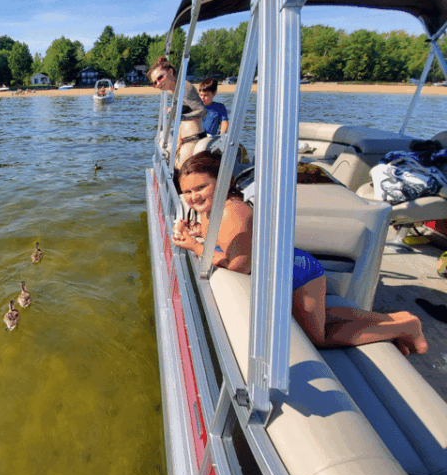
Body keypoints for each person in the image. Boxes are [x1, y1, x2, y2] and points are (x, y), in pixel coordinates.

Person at [171, 151, 429, 356]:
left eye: (201, 187)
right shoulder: (211, 210)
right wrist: (194, 231)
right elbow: (222, 241)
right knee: (324, 316)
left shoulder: (233, 213)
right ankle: (396, 320)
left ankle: (405, 327)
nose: (194, 197)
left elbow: (240, 266)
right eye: (188, 192)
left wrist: (195, 247)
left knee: (318, 338)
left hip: (297, 275)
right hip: (290, 264)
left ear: (226, 180)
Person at [147, 56, 207, 170]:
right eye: (155, 82)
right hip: (184, 140)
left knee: (179, 172)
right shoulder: (176, 90)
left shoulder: (184, 87)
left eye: (160, 77)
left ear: (170, 71)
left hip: (193, 139)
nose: (158, 83)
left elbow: (202, 111)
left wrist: (180, 117)